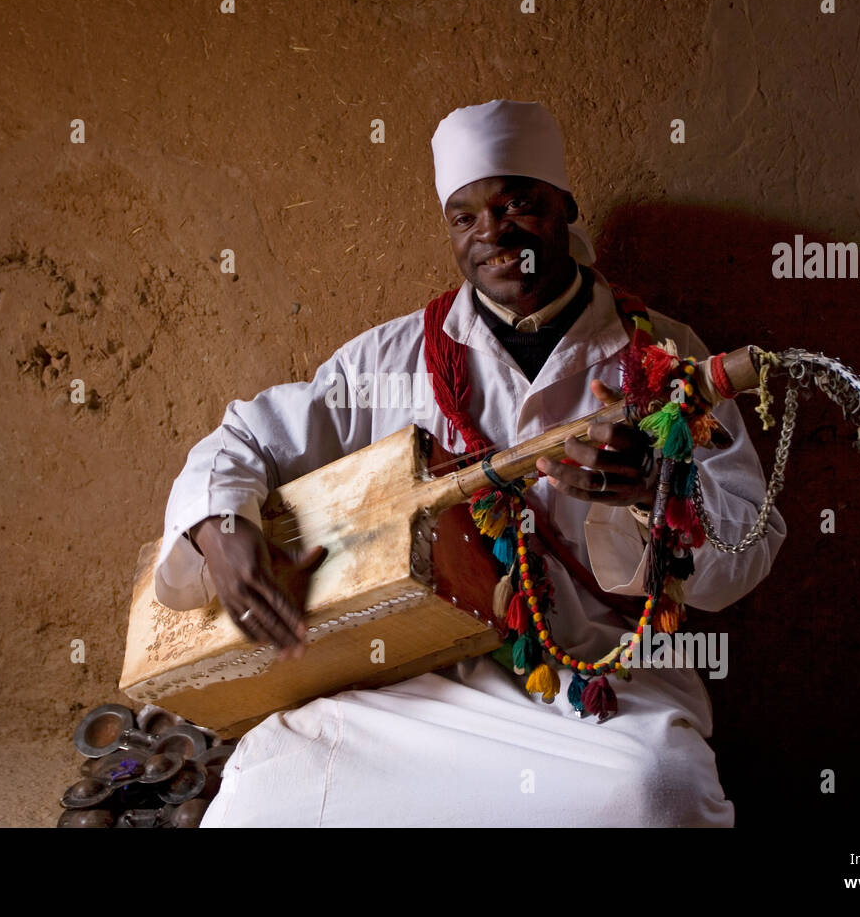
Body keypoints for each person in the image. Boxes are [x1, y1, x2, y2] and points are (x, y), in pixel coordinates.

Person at [151, 99, 786, 826]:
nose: (494, 233)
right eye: (466, 216)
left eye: (519, 203)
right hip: (415, 683)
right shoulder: (391, 360)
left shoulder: (665, 362)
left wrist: (652, 498)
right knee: (266, 787)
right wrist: (221, 530)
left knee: (655, 795)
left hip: (601, 685)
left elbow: (749, 546)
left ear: (565, 207)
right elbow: (242, 439)